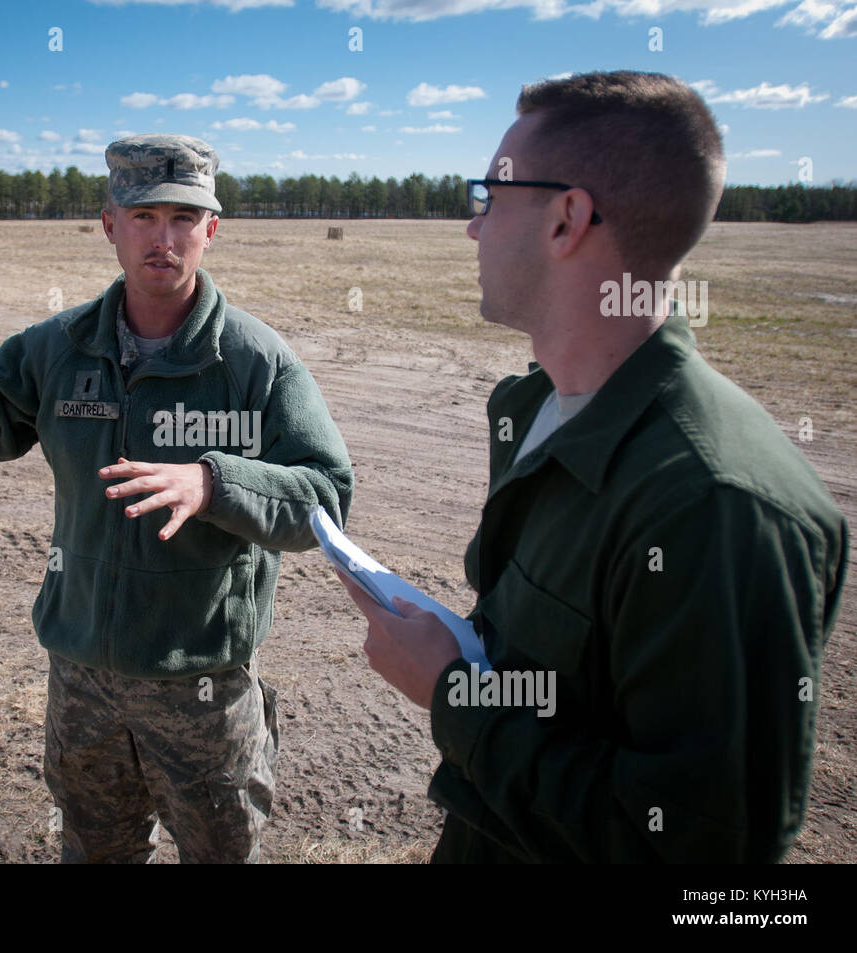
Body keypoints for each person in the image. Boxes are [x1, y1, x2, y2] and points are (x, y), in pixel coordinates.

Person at [336, 71, 847, 862]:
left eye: (491, 195)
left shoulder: (716, 506)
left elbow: (703, 858)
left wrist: (453, 694)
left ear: (568, 218)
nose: (474, 226)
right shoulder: (541, 408)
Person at [0, 133, 353, 863]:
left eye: (184, 218)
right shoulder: (59, 349)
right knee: (95, 850)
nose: (164, 238)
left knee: (221, 852)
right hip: (83, 684)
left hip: (200, 689)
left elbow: (325, 498)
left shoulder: (255, 364)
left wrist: (214, 481)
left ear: (211, 230)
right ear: (110, 224)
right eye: (144, 215)